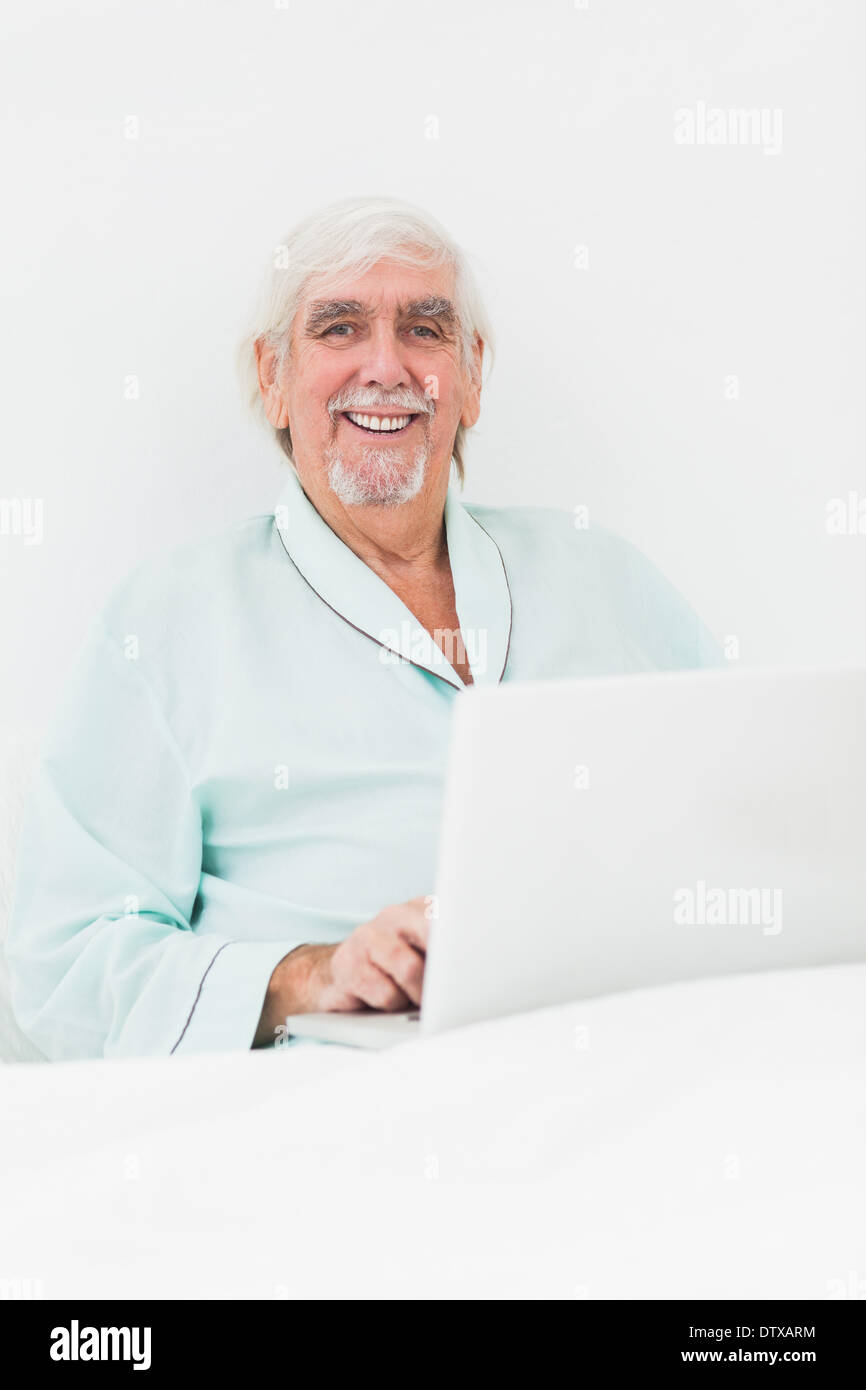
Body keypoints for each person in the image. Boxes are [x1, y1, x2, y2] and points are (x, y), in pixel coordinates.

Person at [7, 197, 722, 1059]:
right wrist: (311, 976)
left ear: (473, 375)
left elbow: (744, 832)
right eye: (340, 328)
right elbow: (60, 967)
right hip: (332, 1109)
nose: (385, 366)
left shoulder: (606, 580)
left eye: (425, 329)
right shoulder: (163, 624)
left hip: (624, 1066)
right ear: (271, 377)